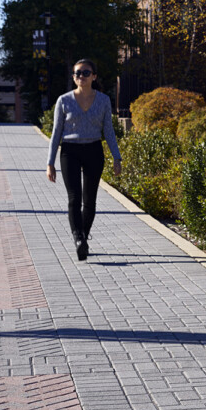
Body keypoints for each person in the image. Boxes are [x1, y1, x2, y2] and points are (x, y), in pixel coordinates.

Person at [46, 59, 122, 260]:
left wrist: (117, 157)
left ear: (94, 76)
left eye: (86, 73)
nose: (81, 76)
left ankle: (84, 238)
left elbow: (109, 131)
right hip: (70, 151)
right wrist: (50, 163)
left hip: (94, 150)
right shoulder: (64, 100)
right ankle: (78, 238)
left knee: (90, 201)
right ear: (73, 77)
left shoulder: (104, 100)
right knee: (74, 198)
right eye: (77, 73)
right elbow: (56, 133)